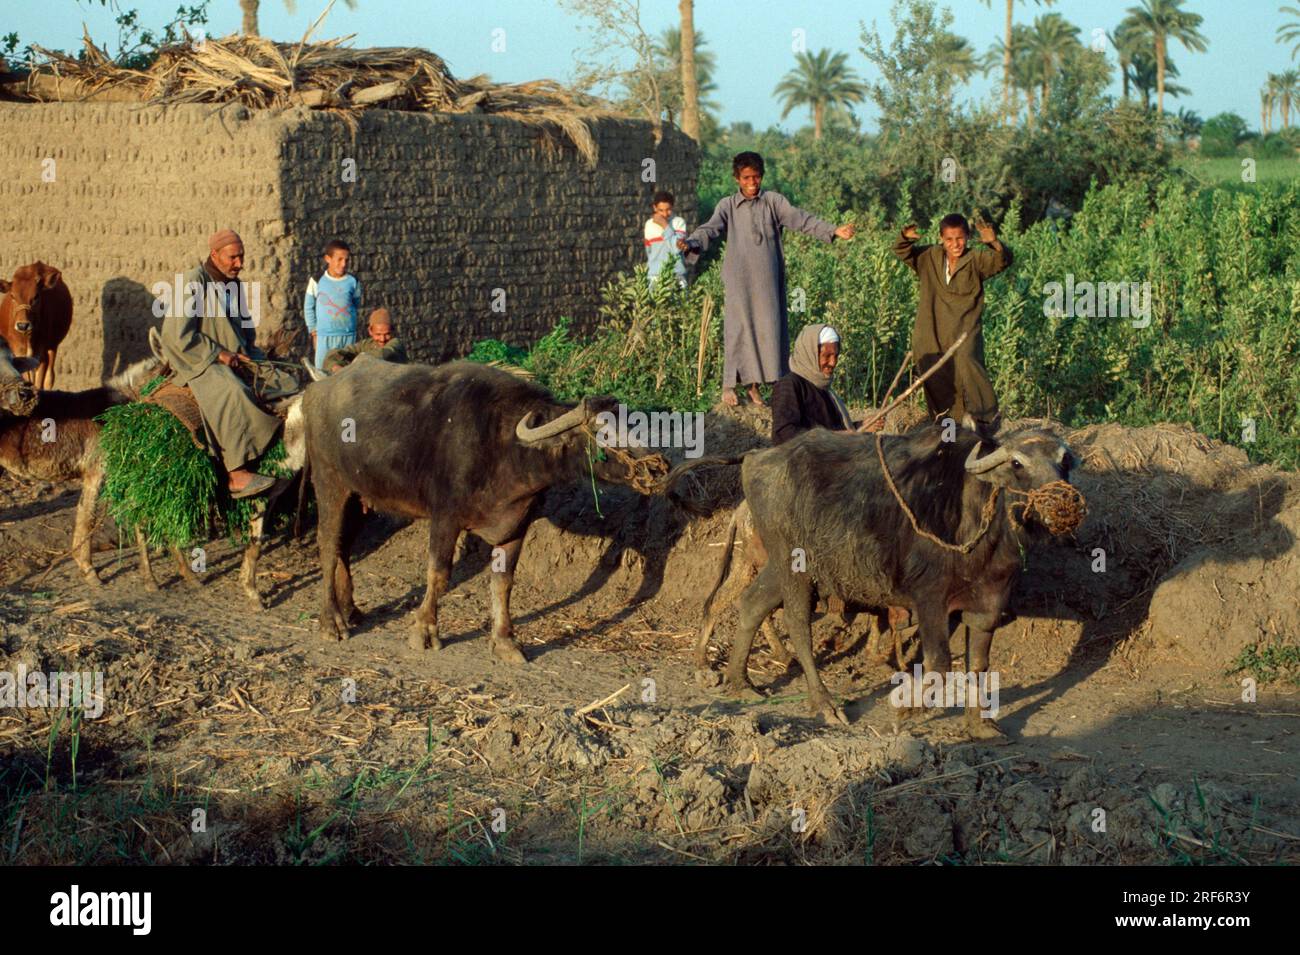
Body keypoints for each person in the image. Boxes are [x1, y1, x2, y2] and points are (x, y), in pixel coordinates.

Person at [679, 152, 855, 407]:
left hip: (768, 281)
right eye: (746, 178)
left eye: (757, 177)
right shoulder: (727, 205)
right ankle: (733, 386)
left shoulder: (773, 202)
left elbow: (801, 219)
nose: (752, 183)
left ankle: (763, 386)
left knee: (770, 330)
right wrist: (692, 242)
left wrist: (833, 230)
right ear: (736, 178)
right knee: (739, 330)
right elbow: (710, 229)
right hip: (739, 279)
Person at [155, 229, 299, 499]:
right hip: (199, 363)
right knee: (233, 393)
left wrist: (254, 358)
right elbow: (176, 336)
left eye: (242, 257)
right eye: (233, 257)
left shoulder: (235, 286)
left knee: (286, 384)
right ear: (214, 255)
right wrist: (218, 354)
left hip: (237, 359)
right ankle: (237, 472)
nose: (239, 263)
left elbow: (246, 336)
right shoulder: (192, 282)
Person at [894, 213, 1011, 437]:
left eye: (960, 238)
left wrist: (994, 243)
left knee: (969, 365)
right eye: (949, 239)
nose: (955, 244)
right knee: (937, 380)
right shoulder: (929, 256)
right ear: (941, 239)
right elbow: (901, 252)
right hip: (931, 329)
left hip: (964, 330)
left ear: (967, 237)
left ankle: (987, 423)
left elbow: (1002, 261)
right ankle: (949, 433)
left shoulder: (976, 259)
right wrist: (905, 237)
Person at [771, 323, 854, 445]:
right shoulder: (789, 385)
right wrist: (837, 436)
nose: (833, 362)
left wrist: (862, 426)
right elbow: (783, 434)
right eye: (826, 356)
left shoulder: (824, 388)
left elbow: (834, 428)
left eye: (836, 356)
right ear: (810, 353)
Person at [304, 238, 361, 370]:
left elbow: (355, 304)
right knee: (323, 371)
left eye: (346, 260)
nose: (343, 264)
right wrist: (314, 331)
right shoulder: (317, 280)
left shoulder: (353, 281)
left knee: (345, 371)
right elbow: (308, 307)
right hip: (324, 336)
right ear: (328, 259)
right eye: (339, 259)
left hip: (347, 336)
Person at [322, 308, 408, 372]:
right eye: (378, 334)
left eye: (387, 334)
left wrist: (353, 365)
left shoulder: (396, 344)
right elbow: (337, 353)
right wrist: (335, 367)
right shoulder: (366, 344)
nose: (382, 339)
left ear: (393, 331)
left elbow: (382, 353)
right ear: (370, 331)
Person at [644, 190, 688, 290]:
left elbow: (676, 249)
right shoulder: (649, 225)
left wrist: (664, 225)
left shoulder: (679, 222)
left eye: (668, 209)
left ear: (673, 207)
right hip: (655, 277)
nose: (665, 214)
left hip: (676, 276)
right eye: (661, 210)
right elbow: (649, 252)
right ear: (654, 208)